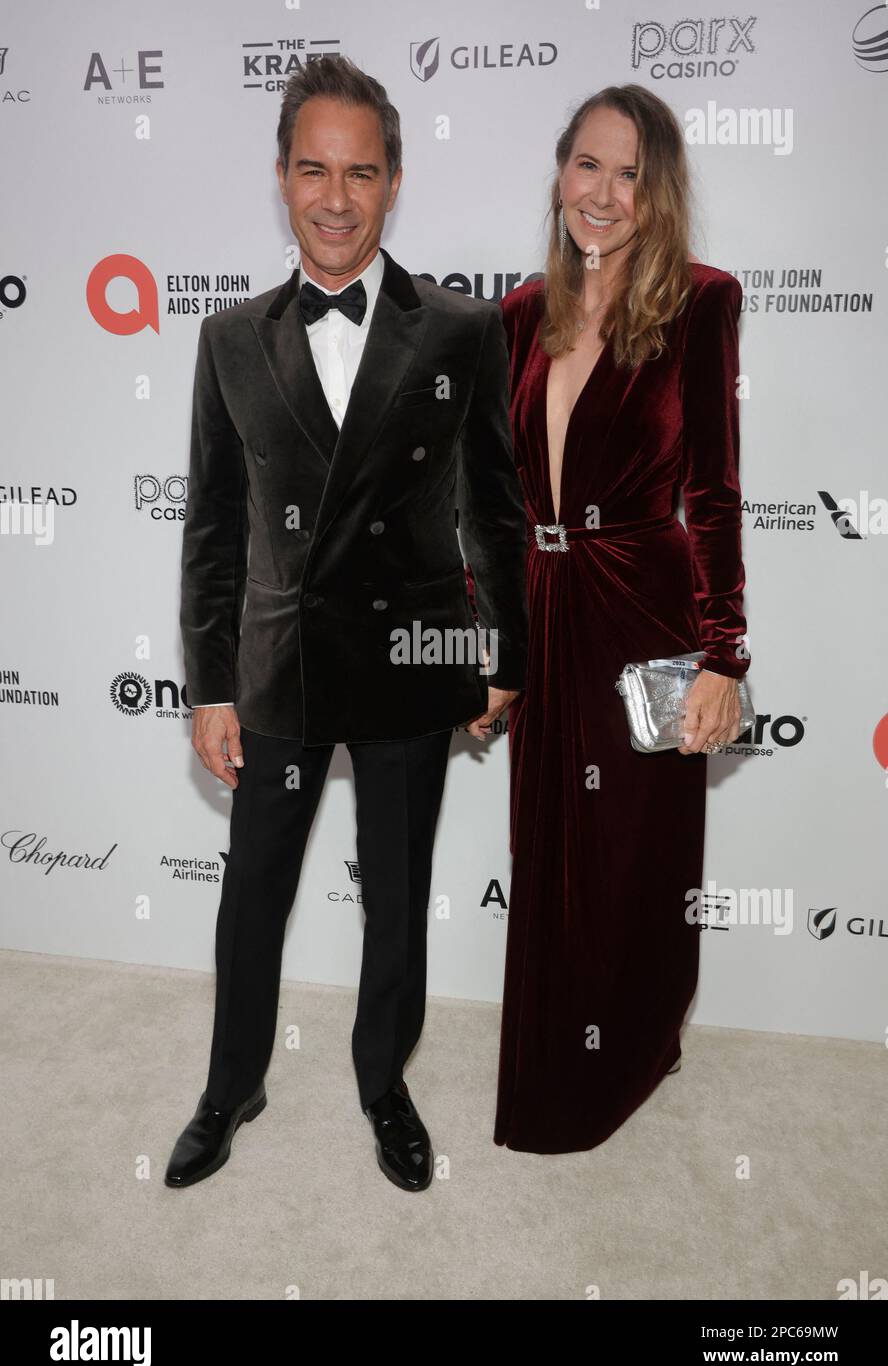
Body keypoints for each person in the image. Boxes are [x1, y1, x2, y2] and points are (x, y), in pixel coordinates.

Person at [166, 56, 527, 1192]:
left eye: (360, 172)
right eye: (313, 169)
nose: (336, 196)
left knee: (397, 895)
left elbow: (497, 509)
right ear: (281, 177)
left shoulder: (464, 329)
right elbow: (214, 526)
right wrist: (209, 683)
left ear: (395, 180)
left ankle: (384, 1083)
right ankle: (232, 1084)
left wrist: (500, 653)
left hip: (415, 661)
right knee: (252, 897)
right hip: (278, 668)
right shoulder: (228, 337)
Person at [494, 85, 751, 1154]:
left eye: (630, 173)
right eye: (587, 165)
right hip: (546, 609)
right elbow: (497, 506)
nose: (603, 192)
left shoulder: (699, 301)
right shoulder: (515, 316)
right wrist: (492, 646)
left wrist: (724, 654)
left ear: (657, 195)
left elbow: (717, 492)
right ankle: (556, 1063)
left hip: (645, 611)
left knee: (640, 854)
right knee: (551, 848)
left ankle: (639, 1045)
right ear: (560, 173)